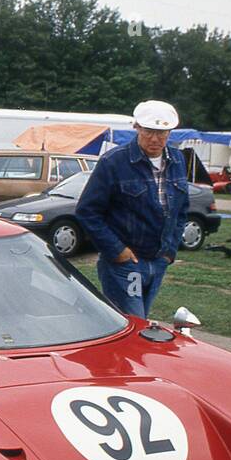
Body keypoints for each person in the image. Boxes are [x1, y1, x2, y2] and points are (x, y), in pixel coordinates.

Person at [76, 100, 189, 318]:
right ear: (136, 127)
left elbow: (181, 210)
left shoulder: (177, 160)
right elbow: (87, 211)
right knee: (131, 325)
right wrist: (117, 251)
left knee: (141, 322)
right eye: (148, 131)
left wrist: (169, 251)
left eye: (162, 132)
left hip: (158, 260)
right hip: (124, 264)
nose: (155, 139)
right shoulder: (114, 162)